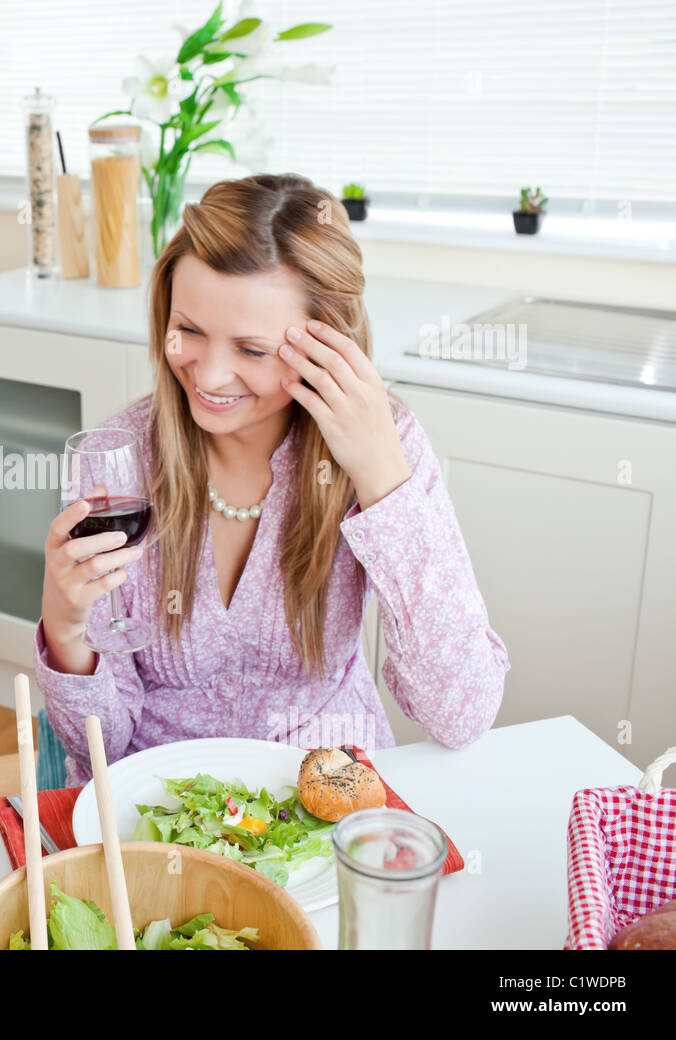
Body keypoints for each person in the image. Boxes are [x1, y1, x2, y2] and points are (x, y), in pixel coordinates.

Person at [37, 174, 510, 785]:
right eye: (190, 331)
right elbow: (99, 744)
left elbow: (460, 713)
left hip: (323, 792)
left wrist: (382, 478)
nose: (208, 374)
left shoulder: (382, 448)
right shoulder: (116, 462)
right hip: (159, 801)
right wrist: (66, 626)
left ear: (327, 344)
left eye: (252, 350)